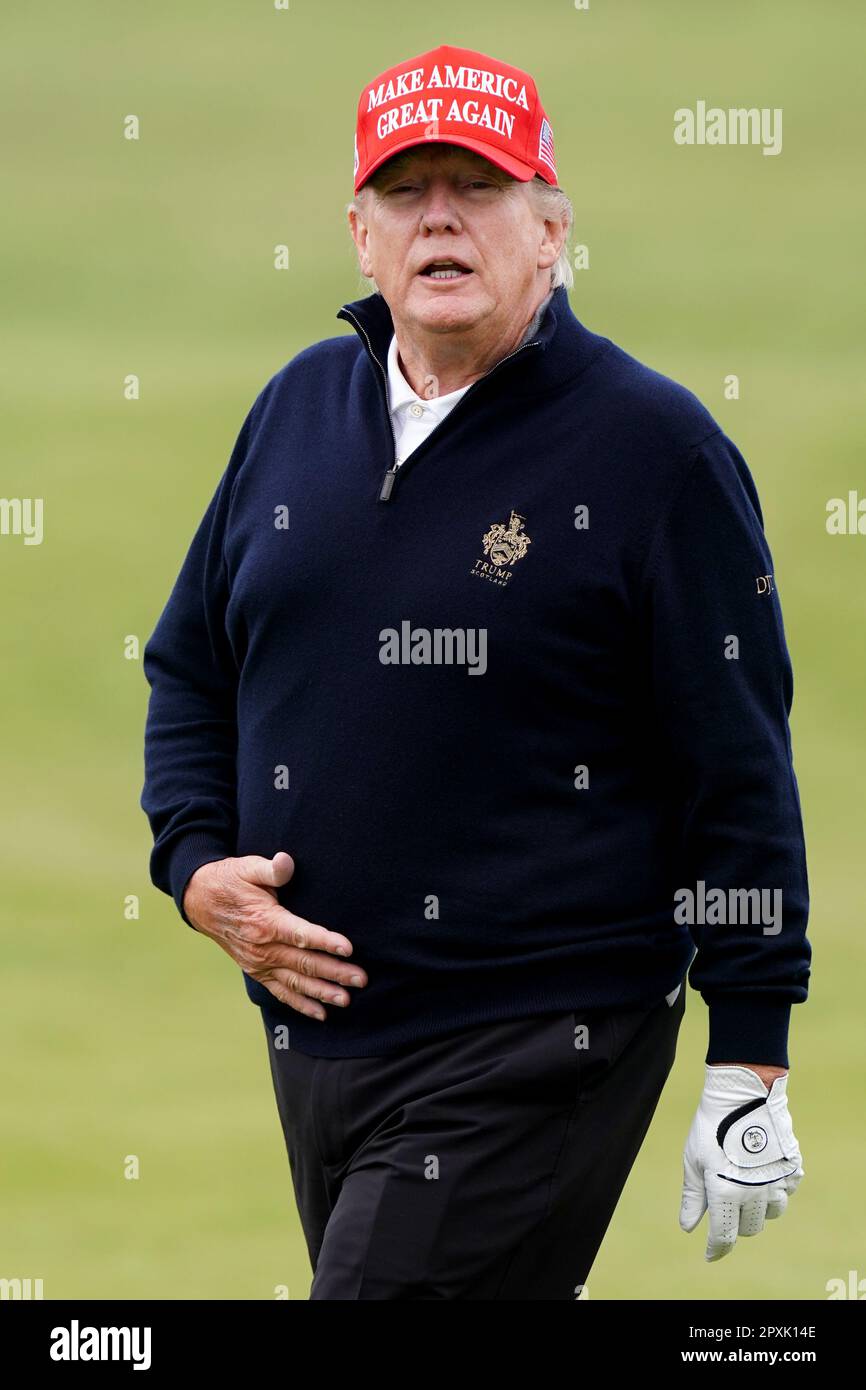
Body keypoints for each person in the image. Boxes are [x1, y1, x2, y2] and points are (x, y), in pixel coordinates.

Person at [140, 43, 810, 1299]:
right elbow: (188, 666)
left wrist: (749, 1053)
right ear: (358, 232)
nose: (438, 216)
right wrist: (191, 867)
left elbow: (735, 759)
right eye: (405, 190)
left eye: (479, 186)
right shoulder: (295, 410)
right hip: (322, 1037)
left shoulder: (653, 451)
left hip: (541, 1037)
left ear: (550, 229)